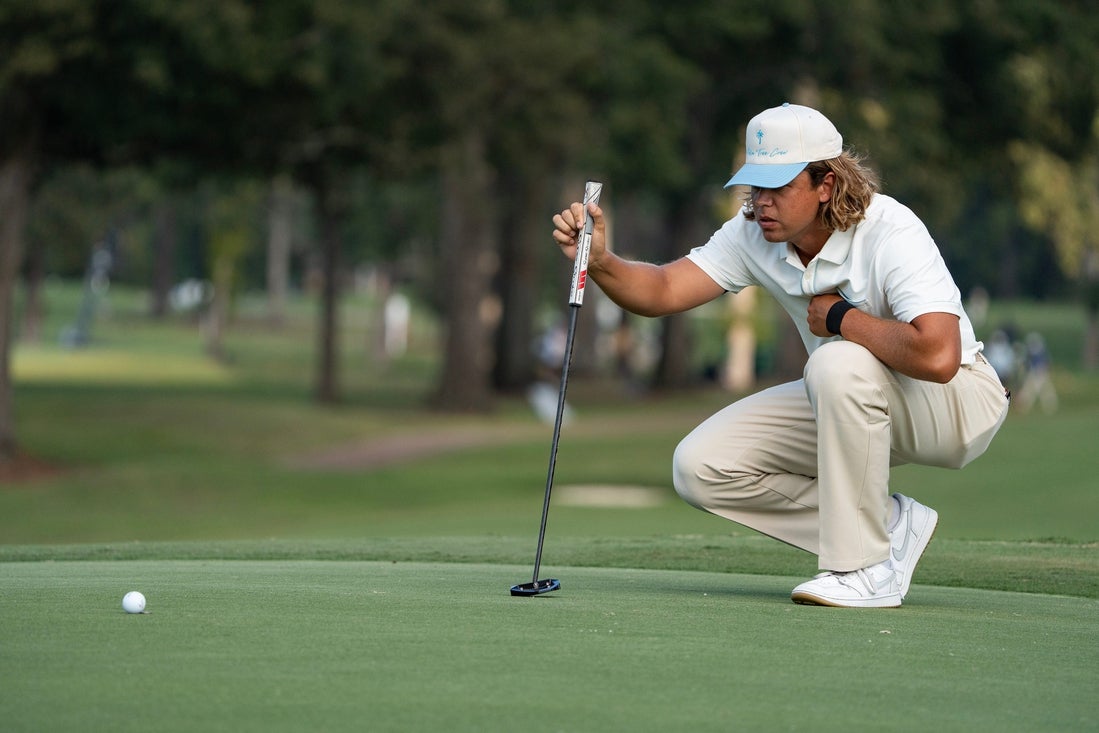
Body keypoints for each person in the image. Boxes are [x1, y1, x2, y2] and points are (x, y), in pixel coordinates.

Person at [551, 103, 1010, 608]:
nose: (762, 203)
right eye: (755, 187)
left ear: (826, 185)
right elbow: (662, 290)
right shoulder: (754, 233)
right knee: (702, 466)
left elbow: (940, 355)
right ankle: (890, 526)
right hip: (852, 395)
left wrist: (841, 319)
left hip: (958, 401)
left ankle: (864, 569)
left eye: (779, 187)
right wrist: (602, 262)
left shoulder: (891, 229)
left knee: (835, 361)